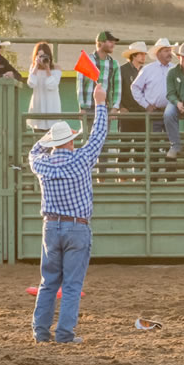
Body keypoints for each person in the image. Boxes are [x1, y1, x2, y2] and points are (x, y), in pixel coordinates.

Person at [29, 83, 108, 344]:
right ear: (71, 140)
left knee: (48, 281)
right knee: (72, 285)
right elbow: (98, 134)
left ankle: (41, 332)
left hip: (51, 227)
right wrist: (100, 103)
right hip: (77, 226)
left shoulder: (42, 163)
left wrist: (47, 138)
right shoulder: (81, 159)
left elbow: (34, 151)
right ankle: (64, 333)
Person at [132, 38, 175, 135]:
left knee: (171, 141)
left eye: (170, 51)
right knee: (153, 141)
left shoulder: (175, 69)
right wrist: (146, 105)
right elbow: (135, 87)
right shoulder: (148, 69)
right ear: (158, 53)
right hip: (154, 111)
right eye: (166, 51)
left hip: (171, 111)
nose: (169, 53)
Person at [76, 30, 121, 116]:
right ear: (100, 43)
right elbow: (80, 85)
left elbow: (117, 88)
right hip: (88, 107)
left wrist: (115, 108)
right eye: (110, 42)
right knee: (87, 130)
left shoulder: (114, 64)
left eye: (114, 42)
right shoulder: (86, 60)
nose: (113, 44)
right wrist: (82, 107)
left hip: (106, 108)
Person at [118, 41, 147, 170]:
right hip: (127, 112)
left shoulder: (146, 70)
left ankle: (138, 176)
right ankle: (122, 176)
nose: (143, 57)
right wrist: (120, 106)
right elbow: (116, 90)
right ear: (134, 55)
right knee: (125, 145)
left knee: (140, 146)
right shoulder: (122, 70)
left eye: (144, 54)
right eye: (141, 54)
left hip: (142, 112)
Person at [26, 42, 62, 131]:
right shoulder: (34, 68)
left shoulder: (56, 68)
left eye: (44, 56)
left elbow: (52, 86)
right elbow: (31, 83)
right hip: (38, 107)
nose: (42, 59)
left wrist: (47, 69)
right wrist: (35, 67)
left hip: (51, 107)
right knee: (38, 139)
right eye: (39, 56)